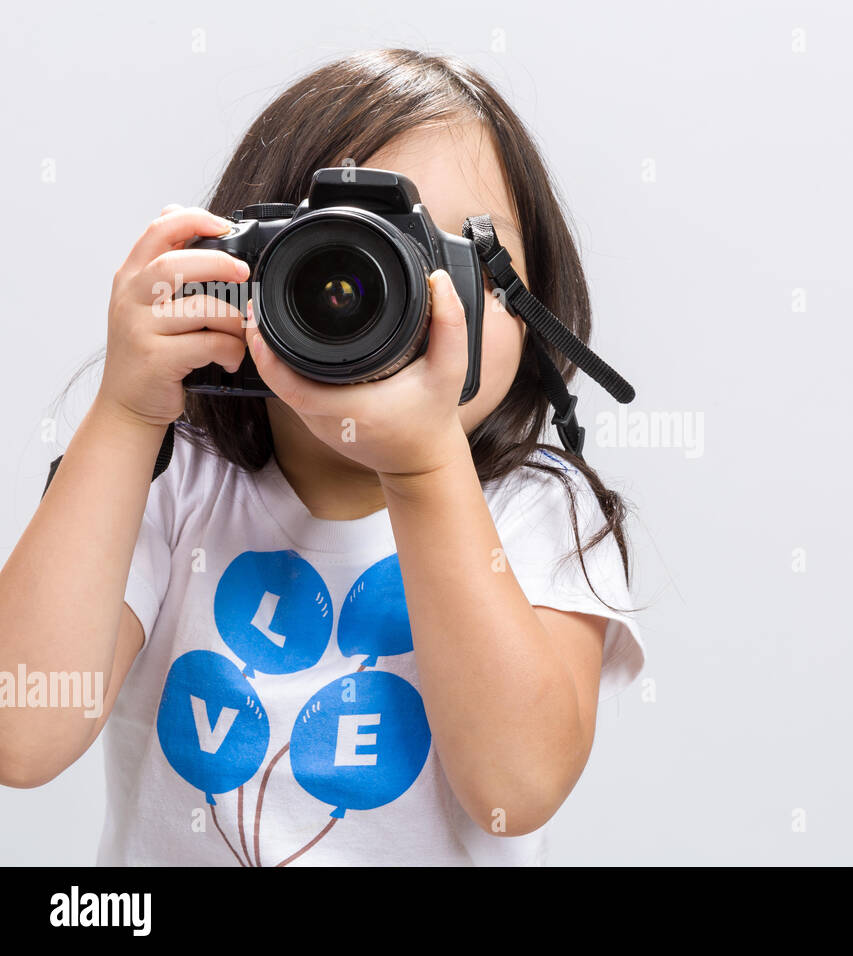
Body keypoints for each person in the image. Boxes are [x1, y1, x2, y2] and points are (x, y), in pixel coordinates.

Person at [0, 49, 645, 866]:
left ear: (532, 298)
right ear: (245, 270)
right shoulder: (175, 478)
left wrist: (424, 469)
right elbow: (21, 736)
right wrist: (127, 415)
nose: (405, 301)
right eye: (343, 258)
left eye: (448, 258)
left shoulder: (535, 509)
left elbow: (514, 791)